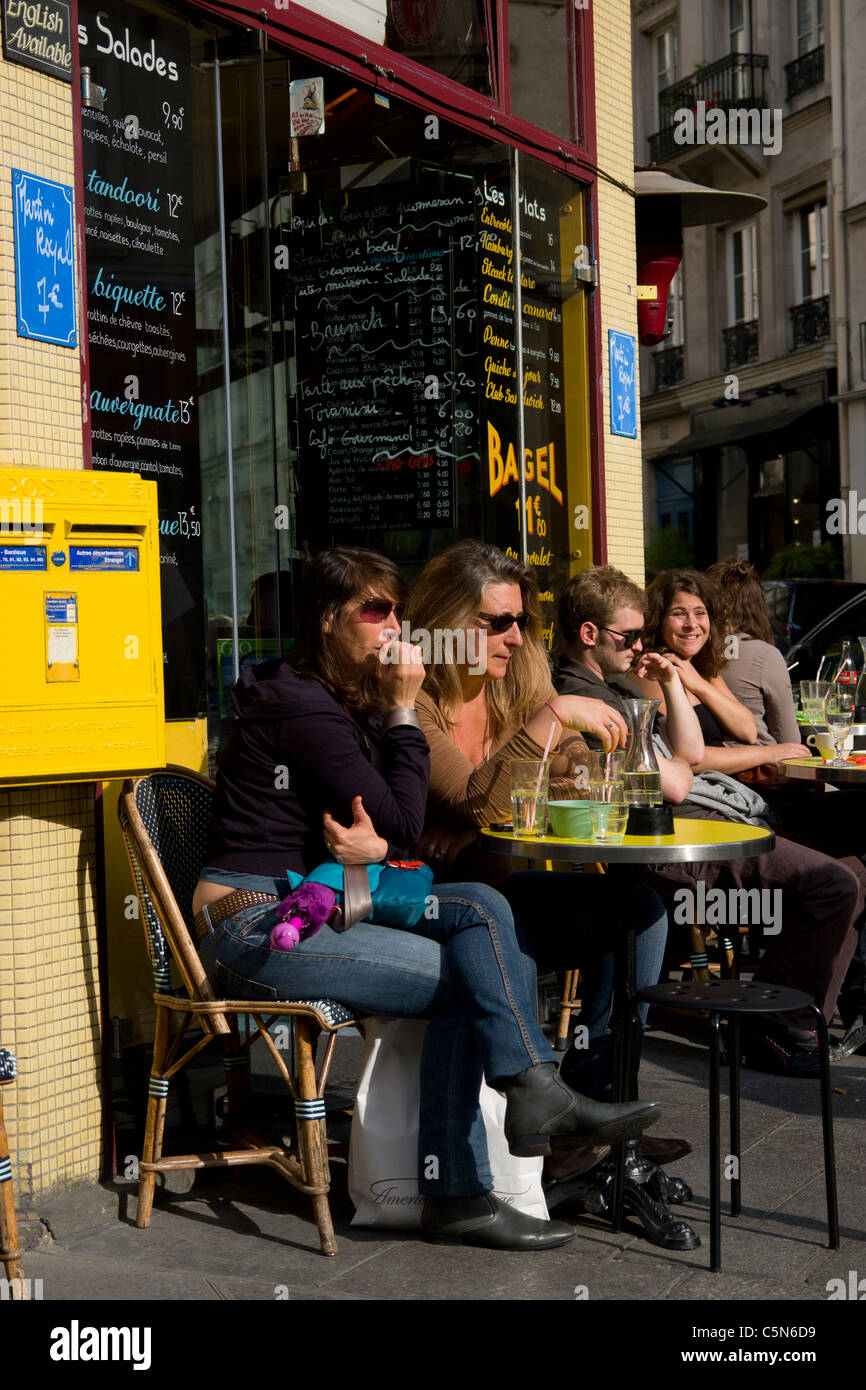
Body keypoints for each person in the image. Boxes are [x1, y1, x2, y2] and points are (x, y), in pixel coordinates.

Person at [192, 546, 660, 1253]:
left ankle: (528, 1104)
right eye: (373, 611)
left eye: (397, 611)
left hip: (322, 902)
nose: (391, 628)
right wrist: (406, 709)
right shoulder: (304, 707)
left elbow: (392, 830)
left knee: (478, 905)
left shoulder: (341, 699)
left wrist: (385, 841)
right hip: (257, 926)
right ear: (327, 620)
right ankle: (478, 1171)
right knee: (474, 977)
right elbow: (408, 820)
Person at [405, 541, 687, 1179]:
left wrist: (545, 765)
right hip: (439, 906)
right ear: (446, 623)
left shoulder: (513, 690)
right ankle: (567, 1127)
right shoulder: (415, 700)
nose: (513, 636)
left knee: (638, 910)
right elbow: (475, 798)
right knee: (538, 912)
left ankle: (597, 1109)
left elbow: (581, 773)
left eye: (521, 622)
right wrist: (553, 718)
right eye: (495, 621)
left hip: (499, 888)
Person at [555, 564, 864, 1077]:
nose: (638, 646)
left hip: (695, 820)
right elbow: (679, 777)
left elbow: (692, 752)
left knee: (852, 868)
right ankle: (766, 1028)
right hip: (665, 845)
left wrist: (677, 682)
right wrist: (680, 755)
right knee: (831, 881)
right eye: (630, 635)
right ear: (590, 635)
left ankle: (793, 1021)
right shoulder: (586, 694)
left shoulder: (620, 686)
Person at [706, 557, 800, 745]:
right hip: (757, 766)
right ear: (757, 607)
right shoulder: (764, 655)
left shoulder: (693, 652)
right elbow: (788, 739)